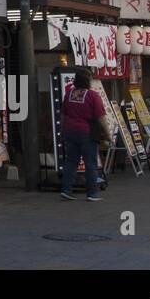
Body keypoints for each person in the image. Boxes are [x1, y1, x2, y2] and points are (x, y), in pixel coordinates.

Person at [60, 68, 105, 201]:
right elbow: (101, 117)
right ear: (88, 80)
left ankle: (66, 190)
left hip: (70, 132)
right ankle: (92, 193)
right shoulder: (93, 96)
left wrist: (62, 130)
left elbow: (63, 114)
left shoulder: (69, 94)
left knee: (70, 162)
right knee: (90, 163)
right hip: (87, 133)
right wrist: (108, 134)